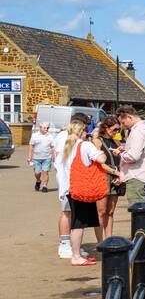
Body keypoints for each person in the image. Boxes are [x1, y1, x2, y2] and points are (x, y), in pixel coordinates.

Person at [64, 120, 119, 266]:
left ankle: (76, 254)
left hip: (71, 187)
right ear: (83, 132)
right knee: (78, 224)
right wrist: (100, 149)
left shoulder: (69, 145)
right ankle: (76, 256)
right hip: (82, 189)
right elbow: (101, 158)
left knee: (76, 222)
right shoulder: (85, 145)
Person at [52, 113, 90, 259]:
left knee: (72, 213)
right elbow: (63, 160)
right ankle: (64, 245)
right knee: (67, 212)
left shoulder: (66, 136)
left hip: (71, 180)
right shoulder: (65, 136)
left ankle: (72, 246)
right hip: (68, 181)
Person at [114, 106, 145, 205]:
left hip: (138, 178)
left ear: (130, 117)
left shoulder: (137, 130)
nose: (123, 126)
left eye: (123, 122)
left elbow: (133, 156)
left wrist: (121, 154)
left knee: (139, 214)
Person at [96, 116, 126, 238]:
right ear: (106, 128)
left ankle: (109, 238)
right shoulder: (97, 142)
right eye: (115, 129)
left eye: (118, 130)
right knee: (101, 212)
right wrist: (117, 173)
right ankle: (100, 242)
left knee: (111, 211)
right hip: (102, 178)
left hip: (115, 179)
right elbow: (99, 164)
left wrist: (119, 175)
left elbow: (122, 162)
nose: (117, 132)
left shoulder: (116, 142)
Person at [27, 121, 56, 192]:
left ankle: (45, 186)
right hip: (36, 158)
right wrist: (29, 156)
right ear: (40, 128)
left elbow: (53, 147)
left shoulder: (50, 136)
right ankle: (38, 180)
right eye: (45, 128)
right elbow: (31, 146)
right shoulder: (35, 135)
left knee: (45, 172)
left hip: (47, 157)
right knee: (37, 172)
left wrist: (54, 156)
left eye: (47, 128)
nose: (46, 129)